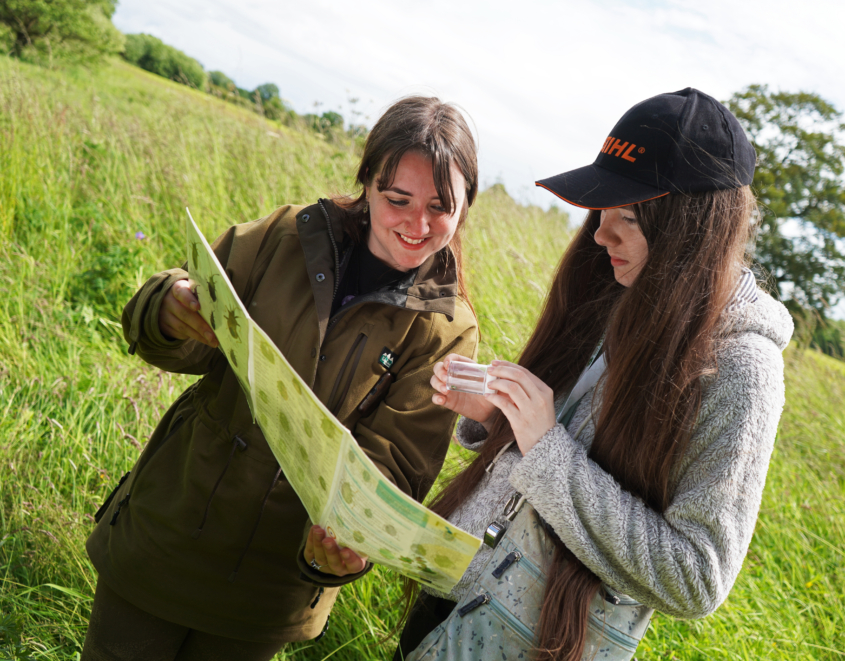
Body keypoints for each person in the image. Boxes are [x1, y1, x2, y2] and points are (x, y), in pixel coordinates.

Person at [394, 88, 794, 661]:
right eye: (601, 210)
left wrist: (545, 444)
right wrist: (499, 414)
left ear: (692, 231)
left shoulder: (743, 369)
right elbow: (563, 446)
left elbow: (696, 576)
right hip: (453, 599)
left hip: (536, 641)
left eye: (627, 217)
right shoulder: (618, 285)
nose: (601, 235)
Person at [81, 96, 480, 661]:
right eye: (398, 199)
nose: (417, 225)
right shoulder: (286, 234)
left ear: (466, 208)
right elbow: (170, 318)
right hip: (162, 538)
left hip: (267, 595)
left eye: (441, 206)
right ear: (367, 183)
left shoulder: (447, 331)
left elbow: (397, 466)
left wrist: (343, 548)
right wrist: (167, 308)